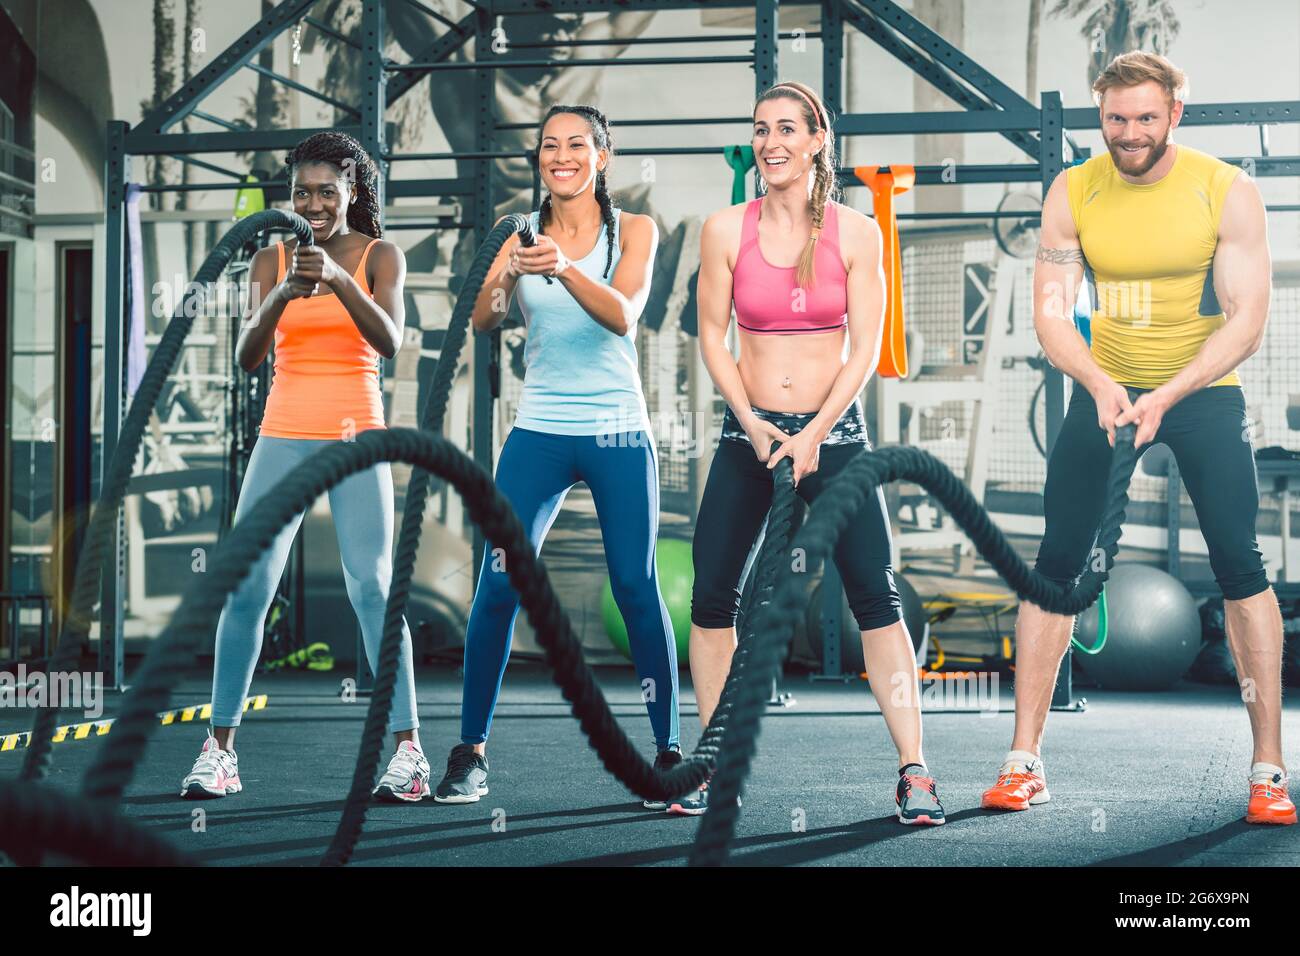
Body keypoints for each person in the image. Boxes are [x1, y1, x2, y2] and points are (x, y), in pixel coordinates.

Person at [984, 51, 1294, 826]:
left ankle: (1268, 769)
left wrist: (1172, 391)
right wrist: (1098, 382)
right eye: (1115, 118)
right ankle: (1024, 761)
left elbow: (1246, 320)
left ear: (1175, 115)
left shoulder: (1225, 190)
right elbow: (1052, 310)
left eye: (1144, 118)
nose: (1128, 133)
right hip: (1107, 391)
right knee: (1055, 567)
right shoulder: (1074, 188)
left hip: (1202, 391)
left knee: (1240, 566)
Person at [685, 81, 944, 825]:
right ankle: (713, 764)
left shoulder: (858, 233)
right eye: (761, 129)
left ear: (816, 139)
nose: (772, 143)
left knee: (877, 600)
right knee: (711, 600)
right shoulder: (723, 230)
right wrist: (754, 421)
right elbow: (711, 334)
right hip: (751, 436)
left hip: (836, 437)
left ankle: (915, 771)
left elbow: (864, 350)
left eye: (787, 129)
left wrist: (814, 434)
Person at [433, 105, 682, 804]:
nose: (561, 155)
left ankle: (666, 753)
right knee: (499, 583)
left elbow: (624, 312)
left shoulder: (634, 228)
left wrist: (565, 266)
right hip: (538, 433)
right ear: (537, 158)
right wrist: (508, 274)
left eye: (577, 144)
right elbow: (484, 321)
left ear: (603, 155)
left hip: (616, 433)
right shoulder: (517, 228)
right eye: (550, 145)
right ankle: (470, 752)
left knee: (635, 587)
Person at [181, 132, 428, 803]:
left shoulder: (382, 254)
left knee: (373, 589)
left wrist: (341, 280)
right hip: (283, 435)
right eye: (301, 192)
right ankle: (220, 751)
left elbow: (389, 341)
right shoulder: (272, 256)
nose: (312, 203)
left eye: (326, 190)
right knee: (246, 587)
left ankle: (409, 754)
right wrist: (285, 292)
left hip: (356, 436)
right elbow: (247, 356)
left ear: (353, 188)